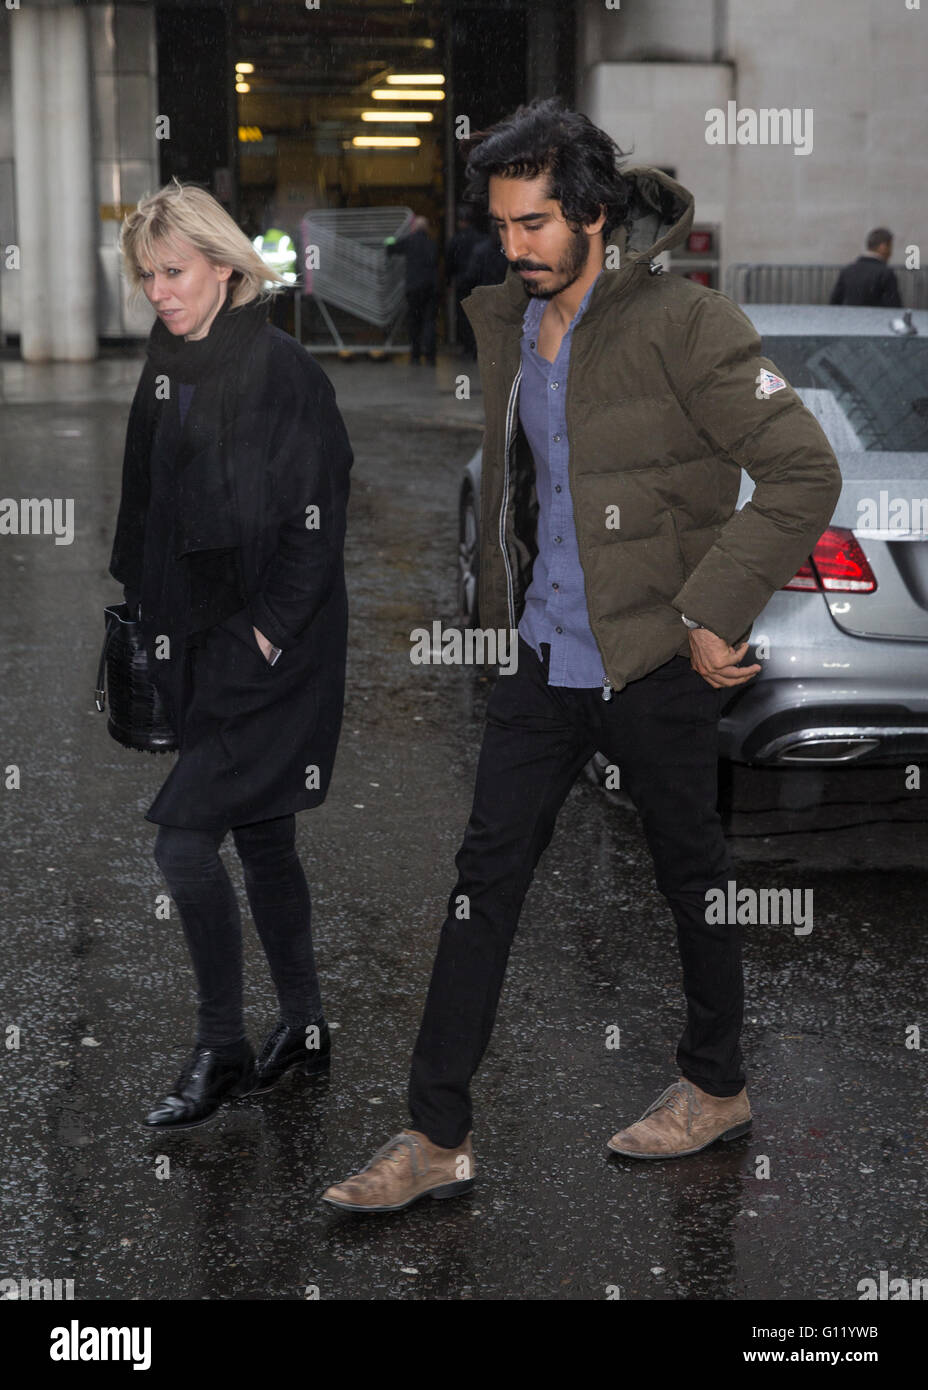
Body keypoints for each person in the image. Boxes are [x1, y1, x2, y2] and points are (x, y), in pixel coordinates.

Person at [322, 99, 842, 1213]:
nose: (513, 248)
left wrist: (712, 608)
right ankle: (435, 1134)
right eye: (502, 226)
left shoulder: (685, 326)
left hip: (652, 658)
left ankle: (715, 1083)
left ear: (595, 214)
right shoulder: (513, 322)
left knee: (689, 877)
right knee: (480, 886)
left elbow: (803, 470)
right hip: (542, 662)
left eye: (535, 225)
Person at [109, 180, 353, 1130]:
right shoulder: (168, 363)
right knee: (264, 835)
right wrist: (144, 617)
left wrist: (262, 634)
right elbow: (149, 504)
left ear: (225, 266)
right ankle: (306, 1025)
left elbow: (317, 521)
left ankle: (223, 1046)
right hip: (197, 643)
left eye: (173, 272)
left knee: (182, 840)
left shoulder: (283, 370)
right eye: (145, 277)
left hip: (275, 650)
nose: (159, 292)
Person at [385, 214, 439, 364]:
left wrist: (389, 239)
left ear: (414, 227)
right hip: (430, 288)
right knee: (429, 322)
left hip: (414, 288)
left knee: (414, 322)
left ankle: (415, 356)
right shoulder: (432, 243)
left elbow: (391, 246)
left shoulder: (410, 241)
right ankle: (430, 357)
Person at [829, 227, 902, 307]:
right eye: (890, 247)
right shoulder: (886, 273)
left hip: (848, 318)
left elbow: (834, 303)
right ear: (883, 247)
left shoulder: (848, 271)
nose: (891, 253)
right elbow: (894, 306)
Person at [445, 205, 481, 355]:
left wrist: (448, 282)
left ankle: (468, 346)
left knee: (463, 316)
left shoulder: (456, 240)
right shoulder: (479, 238)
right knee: (477, 316)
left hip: (462, 282)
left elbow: (449, 262)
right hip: (477, 282)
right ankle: (475, 346)